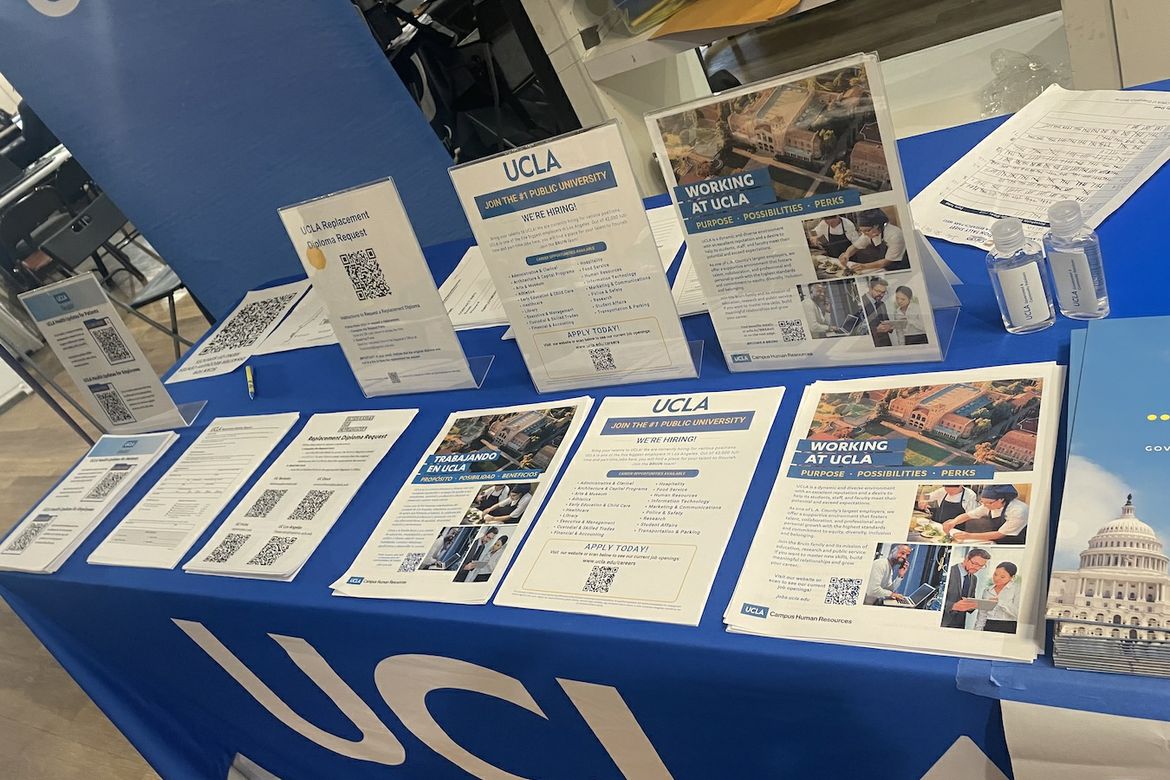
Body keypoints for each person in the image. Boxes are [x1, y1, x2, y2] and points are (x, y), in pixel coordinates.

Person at [943, 484, 1028, 544]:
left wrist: (969, 535)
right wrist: (953, 522)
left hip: (1015, 542)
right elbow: (968, 515)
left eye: (988, 503)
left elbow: (1000, 534)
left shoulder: (1019, 511)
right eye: (983, 502)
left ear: (1001, 499)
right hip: (995, 541)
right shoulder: (988, 505)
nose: (985, 505)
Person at [835, 209, 909, 273]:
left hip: (900, 267)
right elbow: (855, 247)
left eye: (867, 231)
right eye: (862, 231)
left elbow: (887, 261)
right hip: (884, 268)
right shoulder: (868, 233)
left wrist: (864, 266)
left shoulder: (895, 235)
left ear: (876, 226)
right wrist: (847, 254)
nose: (864, 234)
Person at [942, 548, 991, 629]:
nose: (977, 568)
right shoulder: (949, 572)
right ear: (966, 558)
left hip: (960, 624)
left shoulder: (974, 578)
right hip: (943, 622)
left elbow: (970, 599)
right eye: (975, 563)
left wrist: (976, 604)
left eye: (981, 566)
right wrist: (953, 606)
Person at [971, 562, 1020, 633]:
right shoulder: (987, 590)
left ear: (1012, 577)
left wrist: (1000, 602)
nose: (997, 578)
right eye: (995, 574)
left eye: (1002, 577)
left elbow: (1017, 613)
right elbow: (982, 614)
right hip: (989, 625)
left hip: (1008, 626)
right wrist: (977, 631)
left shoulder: (1017, 590)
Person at [861, 277, 894, 347]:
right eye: (878, 291)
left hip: (886, 344)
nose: (881, 295)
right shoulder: (861, 302)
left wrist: (891, 326)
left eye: (883, 292)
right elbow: (858, 329)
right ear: (870, 288)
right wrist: (875, 330)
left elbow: (886, 321)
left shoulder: (882, 304)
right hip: (871, 345)